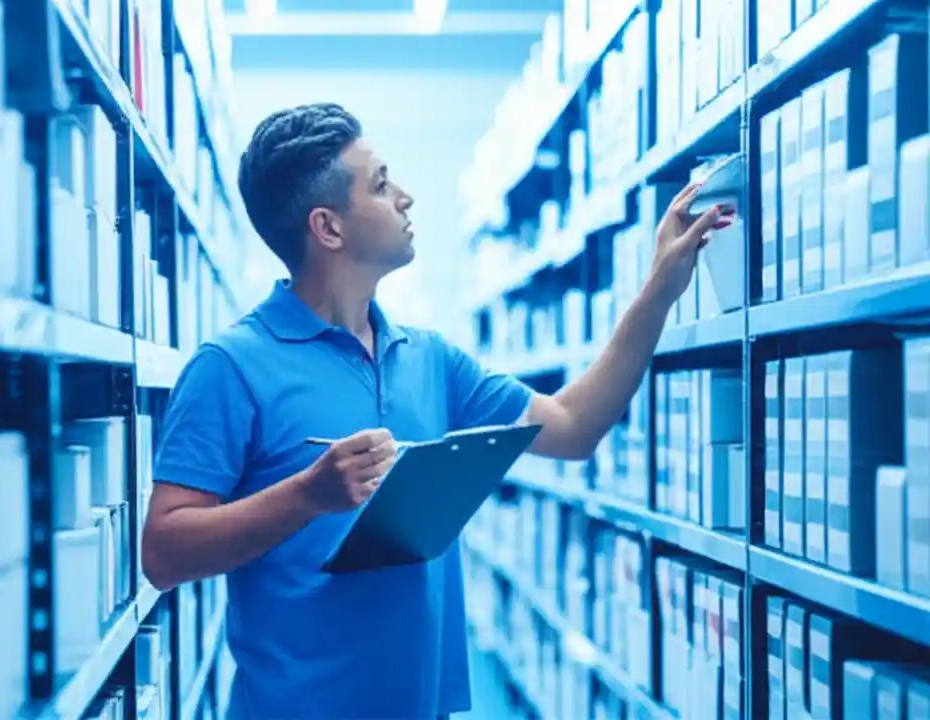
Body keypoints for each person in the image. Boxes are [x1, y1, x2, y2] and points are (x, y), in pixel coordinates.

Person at [141, 103, 732, 719]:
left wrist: (659, 289)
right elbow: (162, 551)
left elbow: (574, 428)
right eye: (381, 183)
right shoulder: (231, 366)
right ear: (328, 228)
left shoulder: (430, 359)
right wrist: (308, 495)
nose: (406, 197)